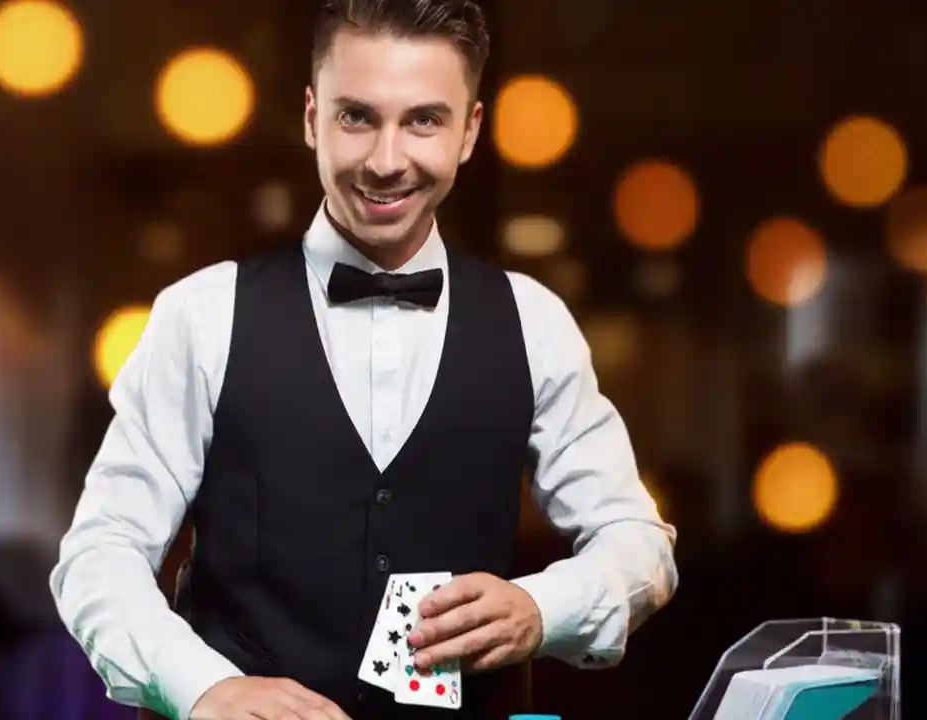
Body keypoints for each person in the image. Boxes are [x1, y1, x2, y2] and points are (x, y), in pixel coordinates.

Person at [50, 0, 678, 718]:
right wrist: (205, 688)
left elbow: (639, 542)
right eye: (358, 117)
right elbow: (101, 553)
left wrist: (543, 606)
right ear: (313, 118)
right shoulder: (200, 315)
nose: (387, 161)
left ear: (470, 130)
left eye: (423, 120)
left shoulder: (533, 322)